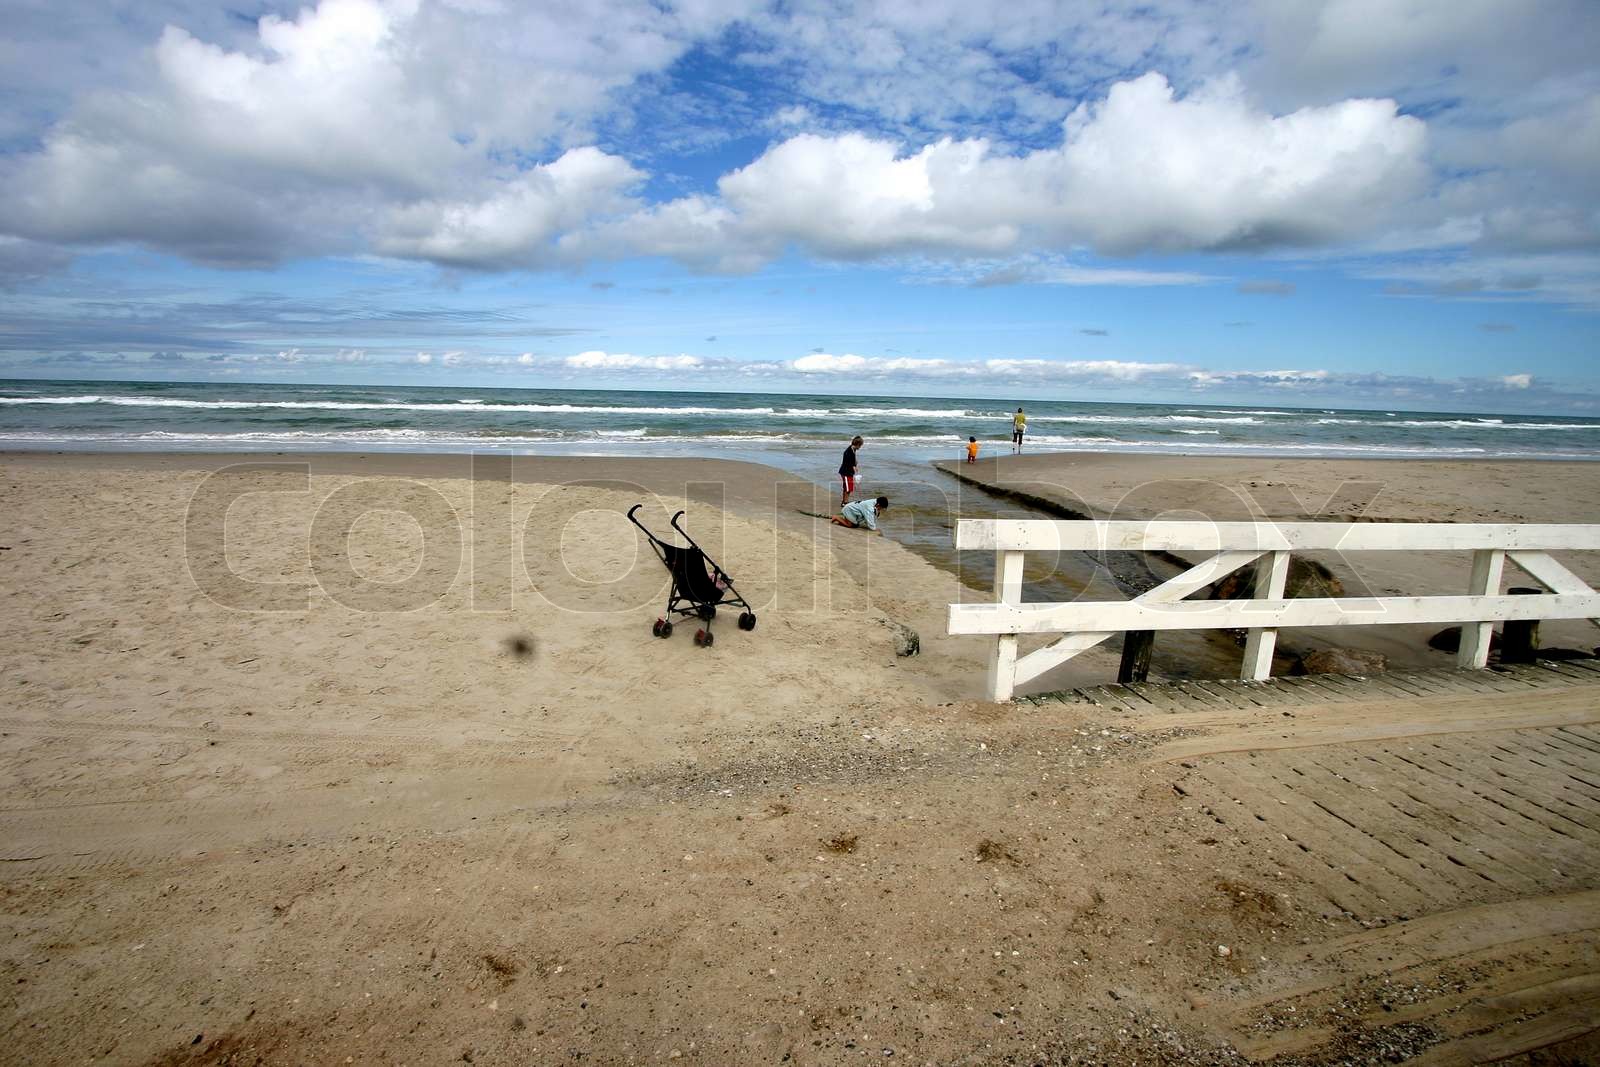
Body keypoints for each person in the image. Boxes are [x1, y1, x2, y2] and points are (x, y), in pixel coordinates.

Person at [838, 435, 863, 506]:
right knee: (848, 488)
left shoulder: (853, 449)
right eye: (860, 446)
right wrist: (854, 467)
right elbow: (848, 462)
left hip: (848, 472)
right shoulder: (848, 452)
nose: (860, 447)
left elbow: (853, 460)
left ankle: (844, 501)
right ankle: (845, 502)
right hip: (846, 472)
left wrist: (855, 464)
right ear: (857, 444)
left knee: (847, 487)